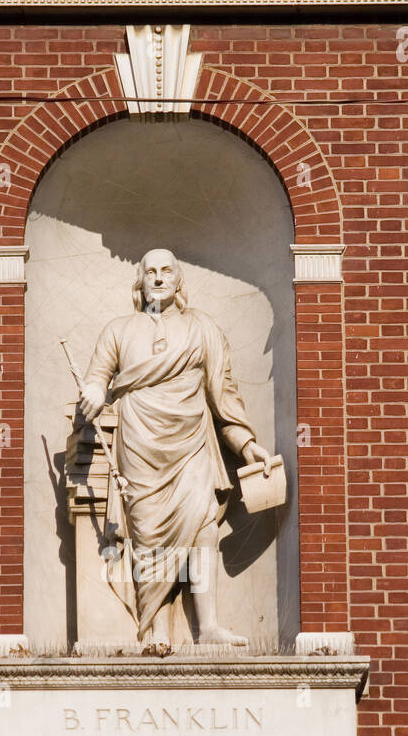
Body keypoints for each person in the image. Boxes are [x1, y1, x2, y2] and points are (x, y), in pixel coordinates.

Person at [79, 248, 271, 644]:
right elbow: (97, 377)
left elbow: (224, 394)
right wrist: (95, 393)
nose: (159, 278)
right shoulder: (118, 330)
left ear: (180, 279)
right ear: (140, 281)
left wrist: (245, 443)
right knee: (148, 533)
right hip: (139, 442)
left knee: (201, 524)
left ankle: (210, 626)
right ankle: (156, 630)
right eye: (150, 272)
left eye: (167, 270)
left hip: (191, 441)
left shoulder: (203, 328)